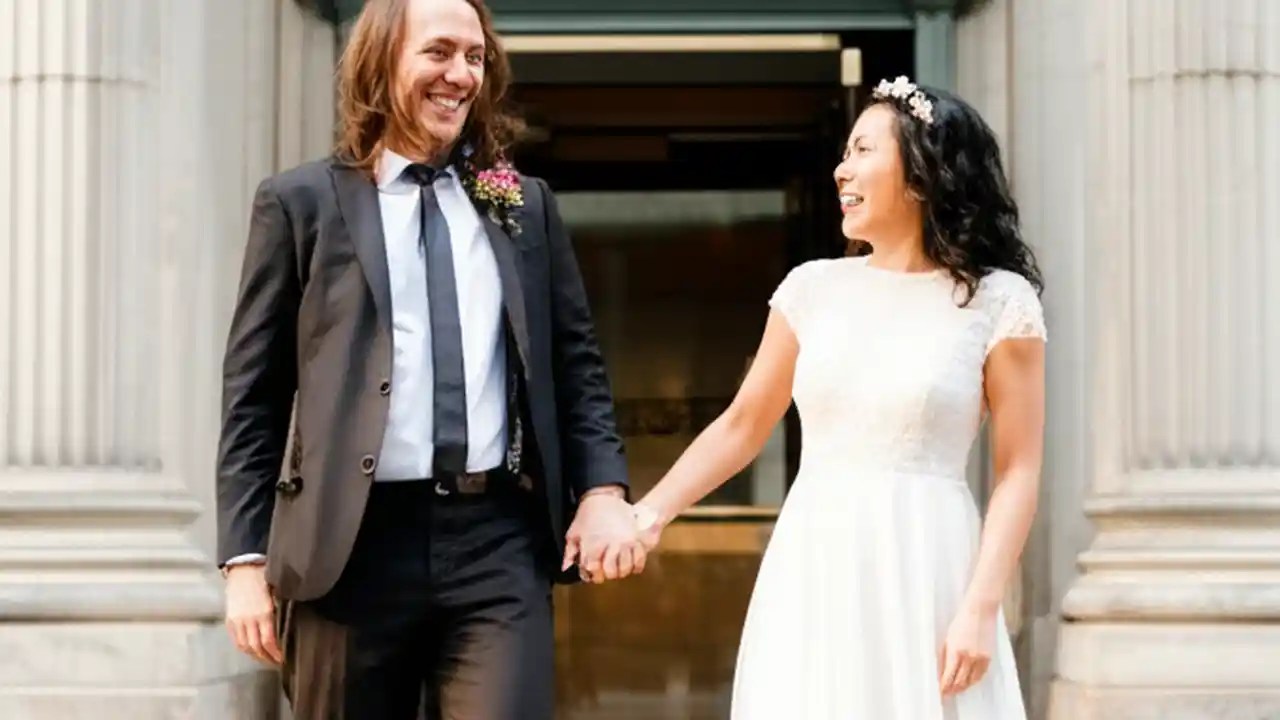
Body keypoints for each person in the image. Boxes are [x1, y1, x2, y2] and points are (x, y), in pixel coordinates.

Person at [215, 0, 647, 717]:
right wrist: (244, 561)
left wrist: (603, 491)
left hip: (496, 543)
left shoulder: (524, 205)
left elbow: (577, 367)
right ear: (382, 60)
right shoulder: (300, 204)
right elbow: (253, 397)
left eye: (476, 58)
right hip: (347, 550)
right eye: (440, 53)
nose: (462, 75)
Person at [629, 77, 1046, 719]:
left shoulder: (999, 302)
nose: (840, 169)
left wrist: (980, 608)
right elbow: (742, 425)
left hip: (928, 565)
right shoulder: (811, 290)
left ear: (920, 175)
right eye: (844, 151)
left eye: (861, 150)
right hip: (817, 558)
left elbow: (1018, 468)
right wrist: (648, 515)